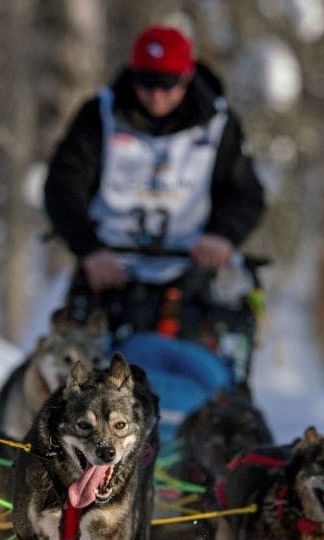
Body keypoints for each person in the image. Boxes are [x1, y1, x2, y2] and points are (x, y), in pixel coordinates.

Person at [44, 25, 266, 417]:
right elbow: (63, 187)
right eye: (146, 83)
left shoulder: (217, 124)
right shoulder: (101, 115)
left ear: (187, 78)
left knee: (203, 380)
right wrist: (88, 249)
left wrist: (222, 236)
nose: (157, 95)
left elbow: (246, 195)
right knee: (77, 378)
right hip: (109, 270)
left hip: (189, 272)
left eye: (168, 85)